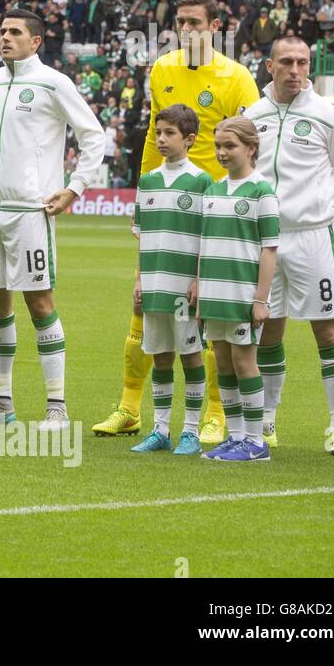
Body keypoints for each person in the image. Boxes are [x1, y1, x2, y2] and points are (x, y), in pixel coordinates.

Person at [95, 0, 260, 444]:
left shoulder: (237, 77)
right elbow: (153, 136)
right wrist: (143, 197)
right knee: (144, 310)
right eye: (180, 23)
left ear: (214, 26)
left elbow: (251, 144)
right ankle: (129, 409)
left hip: (214, 212)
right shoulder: (163, 68)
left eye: (195, 22)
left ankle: (214, 414)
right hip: (165, 206)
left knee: (208, 320)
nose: (186, 30)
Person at [0, 8, 105, 430]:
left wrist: (75, 187)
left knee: (39, 302)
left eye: (15, 32)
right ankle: (0, 403)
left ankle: (56, 406)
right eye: (2, 30)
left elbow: (93, 134)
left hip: (29, 212)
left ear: (35, 41)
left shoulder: (53, 82)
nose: (5, 37)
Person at [245, 37, 334, 455]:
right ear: (269, 65)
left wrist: (329, 224)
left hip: (313, 237)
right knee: (267, 328)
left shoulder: (332, 118)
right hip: (266, 240)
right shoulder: (252, 116)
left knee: (328, 330)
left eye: (303, 62)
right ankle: (267, 421)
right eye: (287, 62)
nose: (296, 70)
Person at [126, 105, 212, 455]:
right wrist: (139, 280)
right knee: (160, 355)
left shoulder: (202, 181)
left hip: (183, 289)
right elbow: (143, 236)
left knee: (190, 355)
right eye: (158, 133)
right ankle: (160, 430)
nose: (161, 139)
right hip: (154, 285)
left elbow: (207, 238)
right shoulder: (147, 182)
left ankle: (191, 431)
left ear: (189, 139)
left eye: (169, 134)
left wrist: (198, 280)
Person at [198, 117, 279, 462]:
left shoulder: (262, 191)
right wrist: (201, 292)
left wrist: (261, 300)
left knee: (245, 362)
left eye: (230, 146)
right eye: (218, 146)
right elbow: (205, 245)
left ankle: (255, 441)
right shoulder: (214, 191)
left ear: (251, 148)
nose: (222, 152)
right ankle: (234, 437)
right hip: (215, 293)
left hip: (243, 295)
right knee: (224, 363)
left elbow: (269, 249)